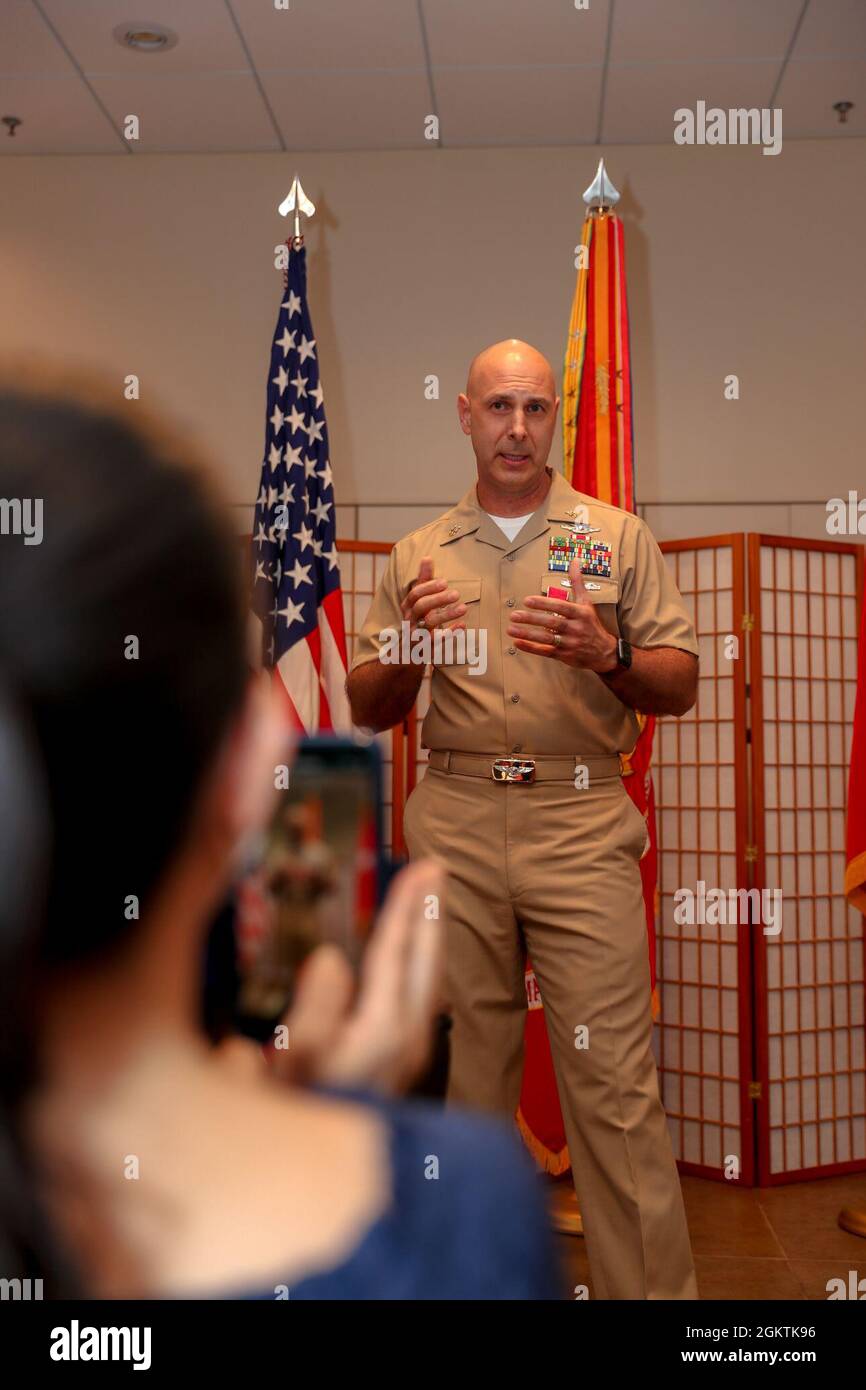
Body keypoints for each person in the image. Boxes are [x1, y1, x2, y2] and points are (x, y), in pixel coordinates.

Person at [0, 363, 559, 1300]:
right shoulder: (460, 1209)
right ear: (252, 750)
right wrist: (343, 1117)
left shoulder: (306, 859)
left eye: (533, 405)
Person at [347, 338, 701, 1300]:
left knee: (617, 1094)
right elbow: (370, 707)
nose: (516, 427)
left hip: (581, 821)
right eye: (498, 406)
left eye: (535, 408)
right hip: (456, 822)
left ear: (556, 419)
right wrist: (413, 649)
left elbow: (682, 681)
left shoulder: (615, 539)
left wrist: (609, 650)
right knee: (466, 1093)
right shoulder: (420, 555)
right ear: (464, 413)